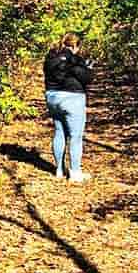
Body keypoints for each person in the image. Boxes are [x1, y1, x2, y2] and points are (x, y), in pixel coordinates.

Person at [43, 32, 94, 182]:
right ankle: (75, 173)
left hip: (52, 98)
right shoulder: (74, 59)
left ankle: (59, 170)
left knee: (59, 132)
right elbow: (86, 78)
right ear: (75, 46)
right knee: (75, 137)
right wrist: (88, 68)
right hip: (73, 99)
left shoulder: (50, 58)